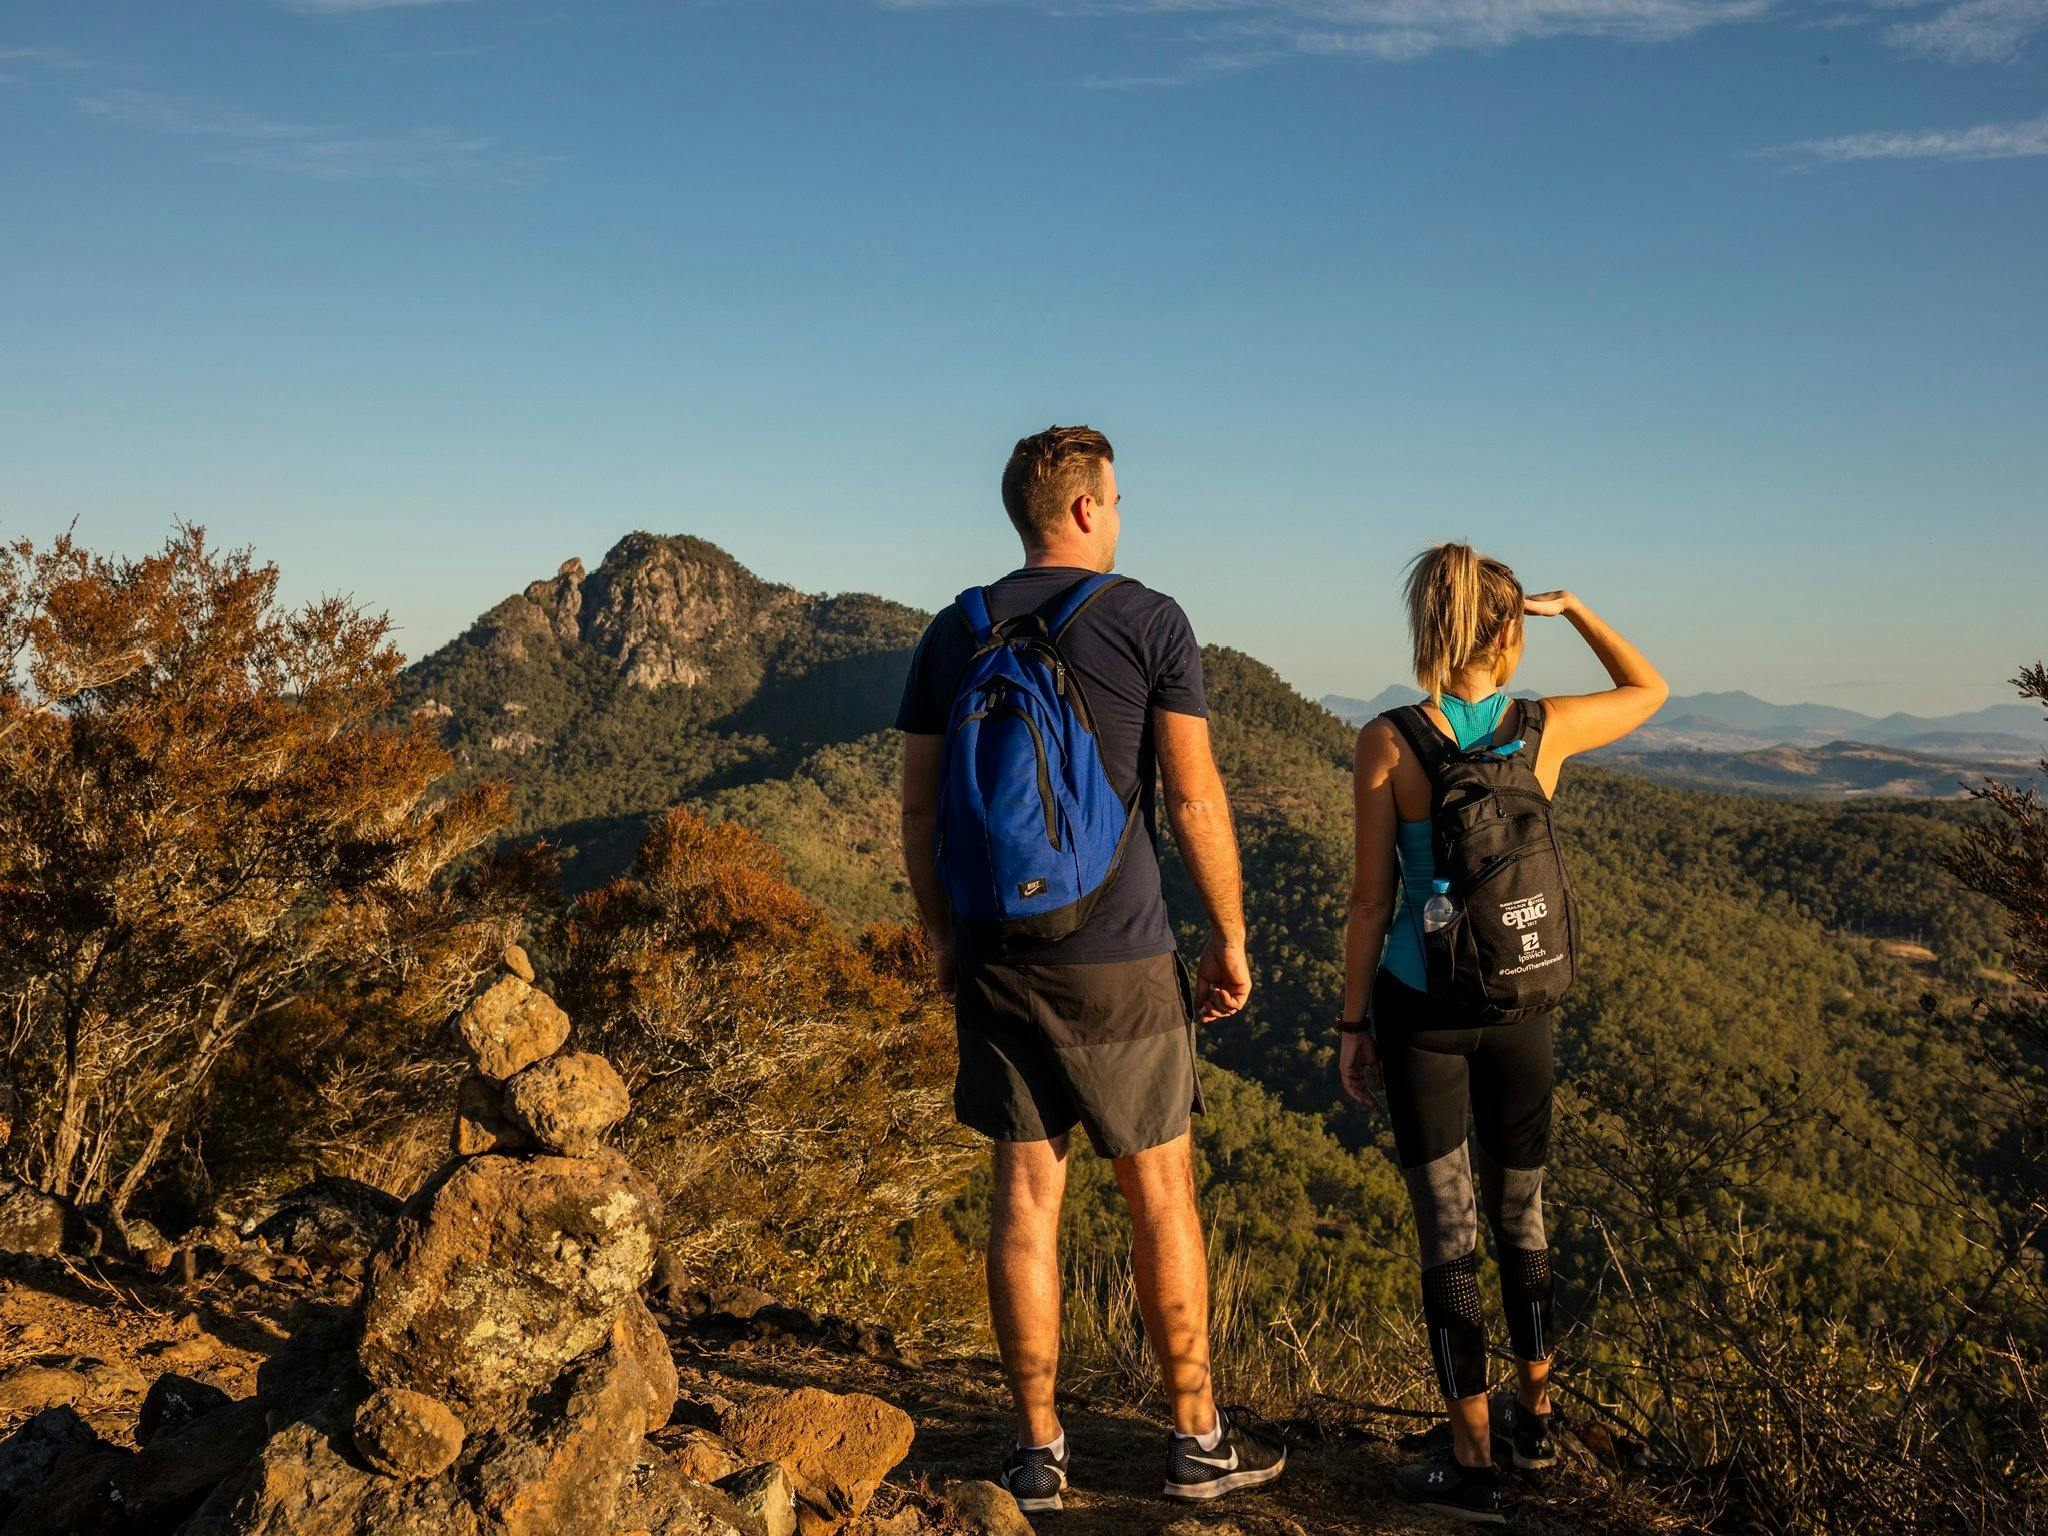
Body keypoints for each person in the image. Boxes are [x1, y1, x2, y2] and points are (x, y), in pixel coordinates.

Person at [897, 426, 1286, 1511]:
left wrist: (939, 939)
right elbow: (1196, 796)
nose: (1118, 515)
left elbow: (919, 808)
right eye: (1113, 499)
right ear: (1077, 509)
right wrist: (1229, 935)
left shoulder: (952, 631)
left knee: (1024, 1196)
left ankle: (1034, 1452)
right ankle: (1196, 1438)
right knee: (1158, 1193)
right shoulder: (1146, 619)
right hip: (1117, 952)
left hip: (991, 950)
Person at [1337, 544, 1666, 1524]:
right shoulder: (1542, 731)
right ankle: (1536, 1413)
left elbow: (1367, 902)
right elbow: (1648, 687)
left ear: (1426, 632)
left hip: (1421, 1008)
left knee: (1447, 1232)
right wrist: (1579, 612)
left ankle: (1471, 1458)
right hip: (1523, 1009)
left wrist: (1350, 1023)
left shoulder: (1387, 741)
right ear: (1510, 632)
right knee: (1520, 1216)